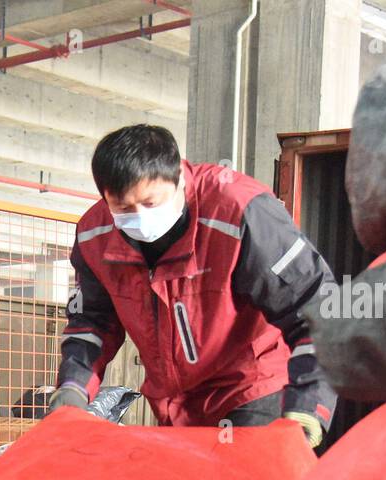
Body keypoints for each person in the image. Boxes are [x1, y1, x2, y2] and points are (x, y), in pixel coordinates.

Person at [49, 124, 336, 447]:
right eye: (124, 208)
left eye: (150, 202)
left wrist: (309, 404)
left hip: (253, 390)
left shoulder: (240, 213)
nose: (139, 218)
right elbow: (92, 322)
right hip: (176, 405)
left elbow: (317, 308)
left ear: (180, 180)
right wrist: (73, 387)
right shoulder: (93, 235)